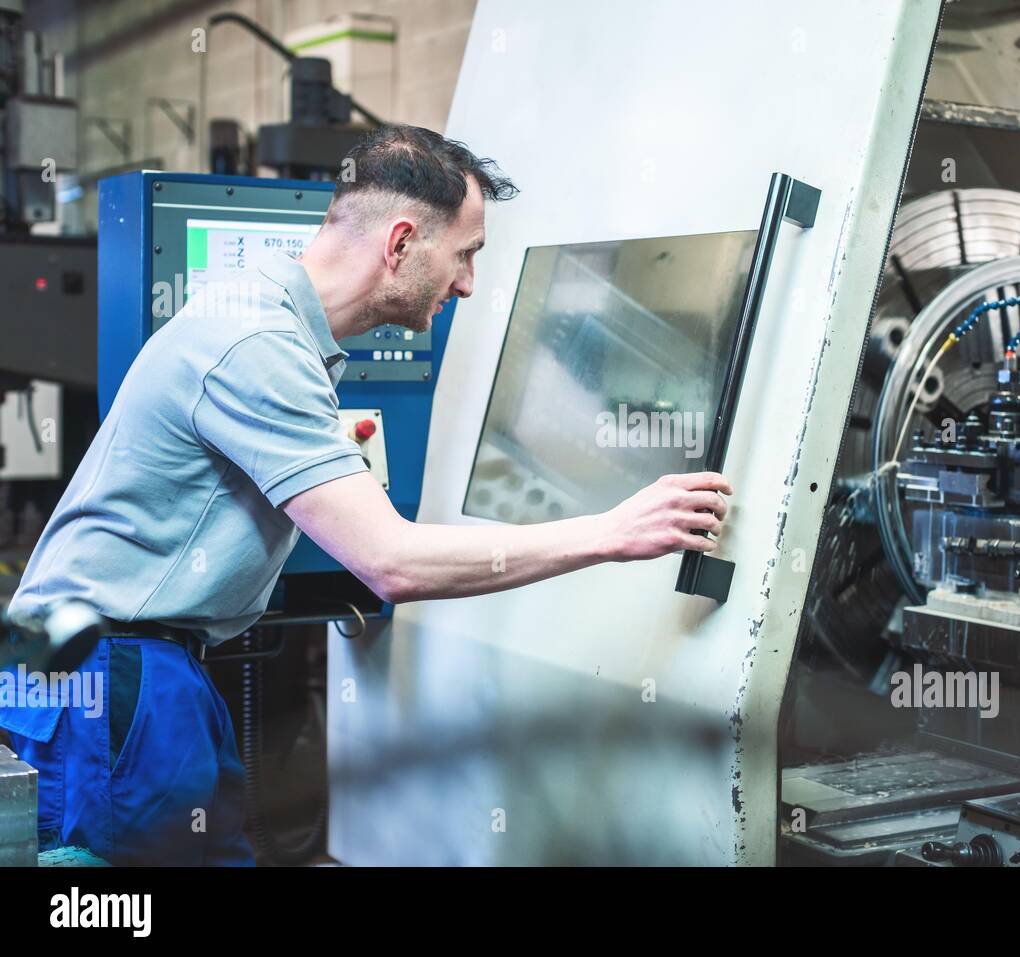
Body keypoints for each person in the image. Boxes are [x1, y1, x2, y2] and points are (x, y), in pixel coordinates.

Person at [0, 125, 732, 865]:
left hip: (130, 670)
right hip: (114, 674)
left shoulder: (275, 328)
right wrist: (609, 531)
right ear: (402, 241)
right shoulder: (257, 343)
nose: (468, 284)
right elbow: (391, 561)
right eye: (466, 254)